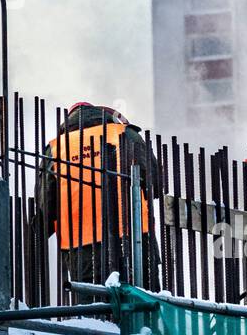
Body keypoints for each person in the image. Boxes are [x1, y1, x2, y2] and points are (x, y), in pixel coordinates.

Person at [34, 102, 162, 295]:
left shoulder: (57, 149)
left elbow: (46, 207)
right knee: (143, 307)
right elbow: (156, 185)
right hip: (134, 239)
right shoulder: (126, 134)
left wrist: (35, 234)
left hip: (82, 249)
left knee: (94, 313)